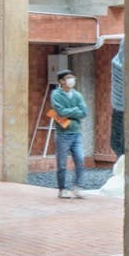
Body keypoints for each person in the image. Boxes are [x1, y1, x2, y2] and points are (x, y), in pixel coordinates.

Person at [49, 68, 88, 200]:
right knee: (62, 163)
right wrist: (75, 111)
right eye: (68, 78)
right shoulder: (56, 95)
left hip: (76, 133)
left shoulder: (77, 95)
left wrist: (69, 112)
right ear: (61, 81)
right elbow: (60, 112)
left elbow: (84, 112)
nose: (72, 80)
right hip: (63, 134)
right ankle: (62, 189)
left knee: (80, 159)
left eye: (73, 77)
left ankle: (78, 187)